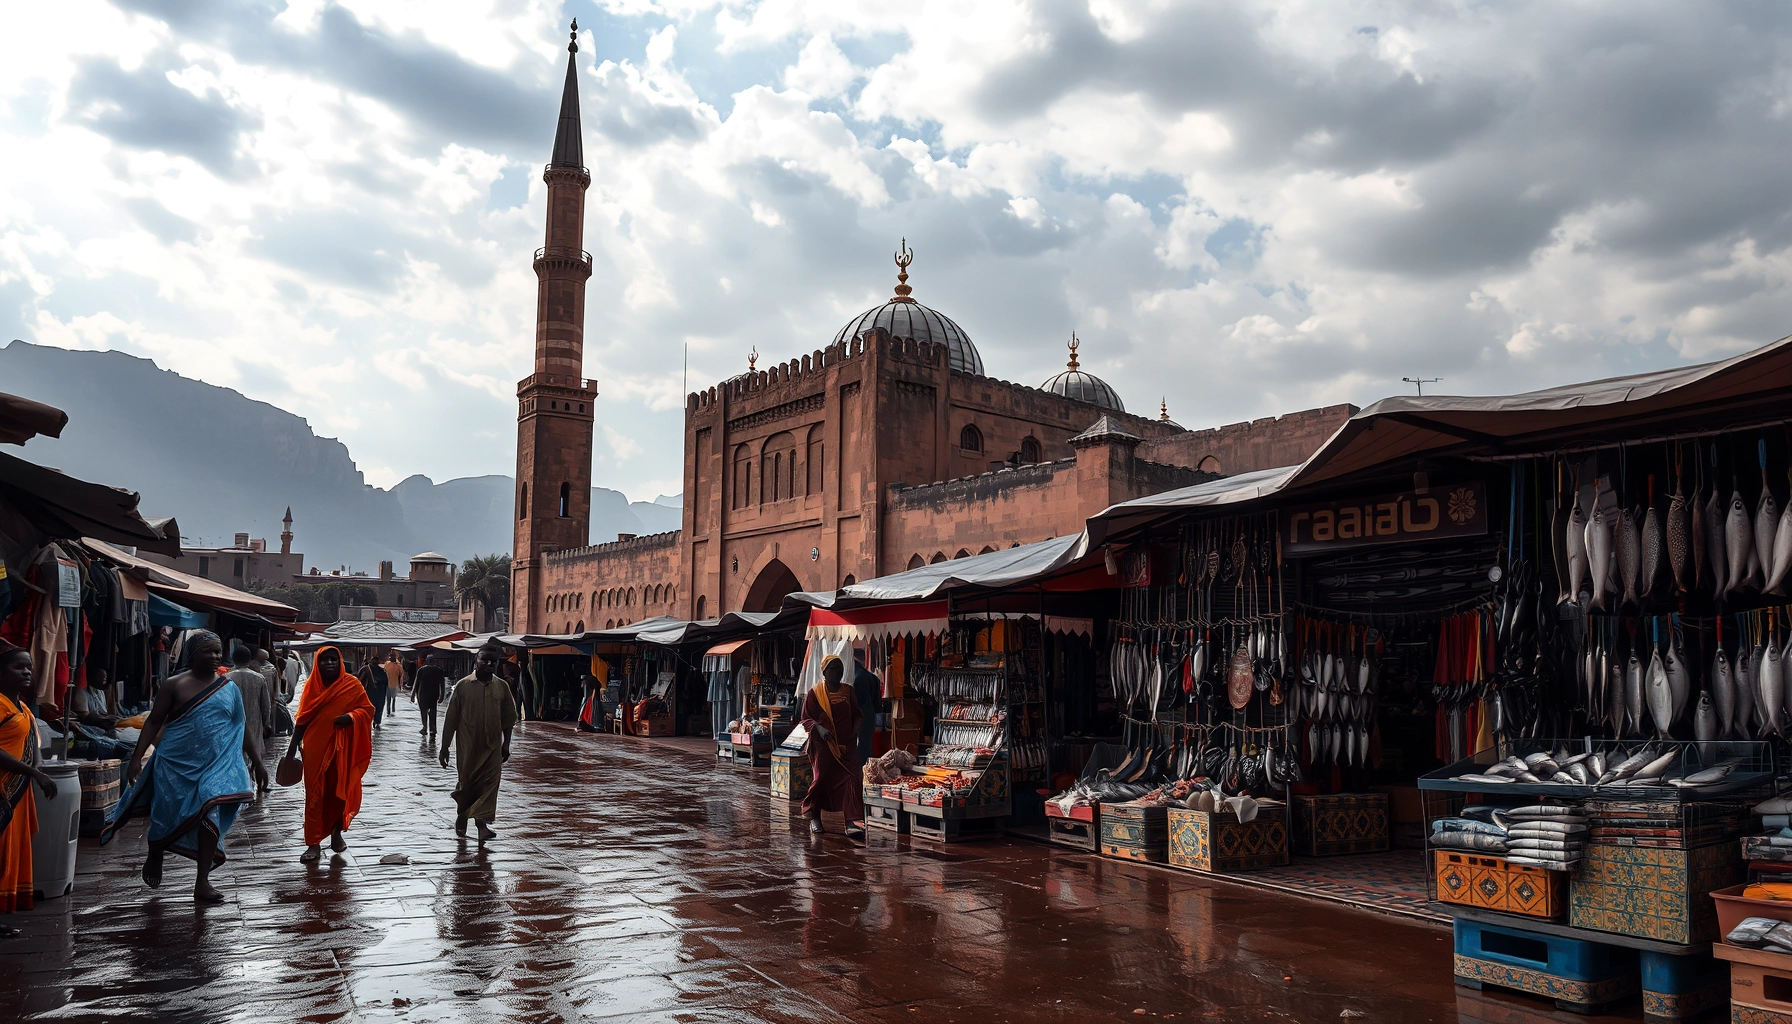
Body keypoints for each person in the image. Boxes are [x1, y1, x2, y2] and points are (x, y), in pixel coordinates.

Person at [101, 630, 254, 903]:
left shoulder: (229, 688)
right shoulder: (174, 684)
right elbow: (153, 722)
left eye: (218, 651)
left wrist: (257, 763)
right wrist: (137, 758)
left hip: (214, 766)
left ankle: (202, 881)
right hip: (174, 763)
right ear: (193, 654)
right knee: (165, 816)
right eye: (209, 651)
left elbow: (240, 726)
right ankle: (155, 851)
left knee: (210, 812)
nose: (216, 656)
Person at [286, 645, 374, 863]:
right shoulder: (311, 687)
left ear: (340, 662)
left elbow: (367, 710)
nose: (330, 663)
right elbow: (302, 720)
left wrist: (351, 717)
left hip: (341, 749)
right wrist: (290, 752)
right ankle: (313, 844)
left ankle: (336, 834)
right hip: (315, 748)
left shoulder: (352, 685)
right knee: (315, 795)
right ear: (317, 663)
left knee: (338, 792)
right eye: (325, 660)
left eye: (334, 659)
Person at [0, 645, 57, 935]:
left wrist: (39, 769)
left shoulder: (23, 708)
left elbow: (33, 745)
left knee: (9, 850)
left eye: (29, 668)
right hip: (3, 790)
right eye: (18, 667)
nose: (26, 672)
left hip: (19, 791)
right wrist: (34, 772)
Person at [440, 643, 517, 843]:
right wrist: (444, 747)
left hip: (493, 748)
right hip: (468, 748)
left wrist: (506, 744)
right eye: (485, 660)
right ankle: (462, 814)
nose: (489, 664)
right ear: (477, 660)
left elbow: (509, 718)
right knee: (467, 787)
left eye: (494, 662)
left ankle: (482, 826)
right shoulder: (463, 686)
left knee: (490, 785)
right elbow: (451, 719)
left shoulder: (502, 686)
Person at [798, 655, 864, 839]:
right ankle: (815, 818)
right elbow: (805, 718)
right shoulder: (815, 693)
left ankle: (851, 821)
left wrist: (855, 730)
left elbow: (857, 714)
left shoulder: (848, 691)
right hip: (824, 744)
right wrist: (819, 728)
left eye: (840, 668)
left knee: (853, 778)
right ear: (824, 671)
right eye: (834, 668)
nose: (838, 672)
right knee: (821, 780)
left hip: (847, 745)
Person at [225, 643, 275, 793]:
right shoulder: (259, 678)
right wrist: (267, 724)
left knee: (236, 757)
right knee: (256, 757)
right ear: (249, 659)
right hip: (254, 723)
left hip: (233, 725)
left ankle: (239, 788)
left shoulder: (226, 678)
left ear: (233, 659)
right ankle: (258, 786)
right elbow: (266, 706)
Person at [852, 650, 882, 762]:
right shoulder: (872, 677)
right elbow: (877, 702)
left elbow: (857, 700)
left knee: (861, 744)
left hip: (861, 712)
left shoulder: (857, 677)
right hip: (870, 713)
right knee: (867, 742)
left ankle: (862, 767)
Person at [412, 655, 448, 740]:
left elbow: (416, 683)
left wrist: (413, 694)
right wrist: (442, 695)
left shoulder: (421, 669)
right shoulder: (439, 670)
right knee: (433, 711)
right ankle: (433, 729)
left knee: (423, 711)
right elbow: (442, 684)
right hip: (434, 694)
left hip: (423, 694)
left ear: (426, 661)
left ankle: (424, 727)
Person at [357, 651, 387, 732]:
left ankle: (376, 722)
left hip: (379, 692)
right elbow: (360, 680)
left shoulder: (381, 671)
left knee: (378, 707)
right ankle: (370, 722)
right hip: (369, 692)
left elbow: (386, 681)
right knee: (370, 707)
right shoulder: (366, 669)